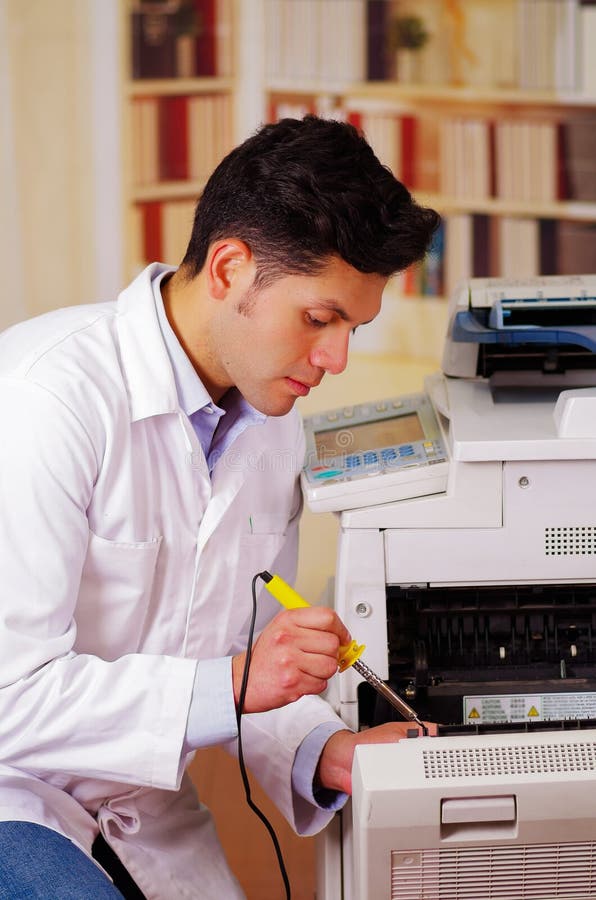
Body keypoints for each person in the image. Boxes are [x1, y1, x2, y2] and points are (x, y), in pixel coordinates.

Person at [0, 115, 439, 898]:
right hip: (13, 793)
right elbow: (10, 699)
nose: (336, 360)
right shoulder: (44, 400)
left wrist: (324, 750)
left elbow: (256, 660)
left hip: (144, 806)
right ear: (231, 267)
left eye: (353, 328)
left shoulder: (269, 426)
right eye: (319, 319)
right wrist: (235, 682)